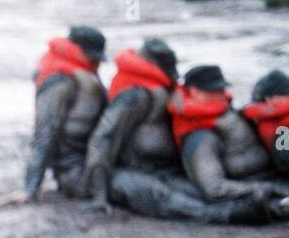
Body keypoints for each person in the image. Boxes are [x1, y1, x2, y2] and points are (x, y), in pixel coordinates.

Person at [81, 39, 265, 223]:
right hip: (129, 172)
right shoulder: (134, 96)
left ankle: (260, 205)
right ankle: (225, 215)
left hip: (163, 170)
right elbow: (103, 138)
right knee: (154, 193)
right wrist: (99, 195)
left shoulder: (169, 92)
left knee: (199, 191)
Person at [168, 65, 289, 219]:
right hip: (254, 187)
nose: (221, 94)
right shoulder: (199, 135)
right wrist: (267, 188)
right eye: (213, 90)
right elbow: (213, 188)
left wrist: (283, 132)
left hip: (276, 172)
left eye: (221, 88)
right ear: (193, 91)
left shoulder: (225, 110)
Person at [24, 26, 107, 201]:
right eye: (94, 57)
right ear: (79, 51)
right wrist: (31, 188)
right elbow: (45, 133)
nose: (97, 63)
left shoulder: (84, 72)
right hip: (77, 173)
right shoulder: (60, 80)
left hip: (93, 165)